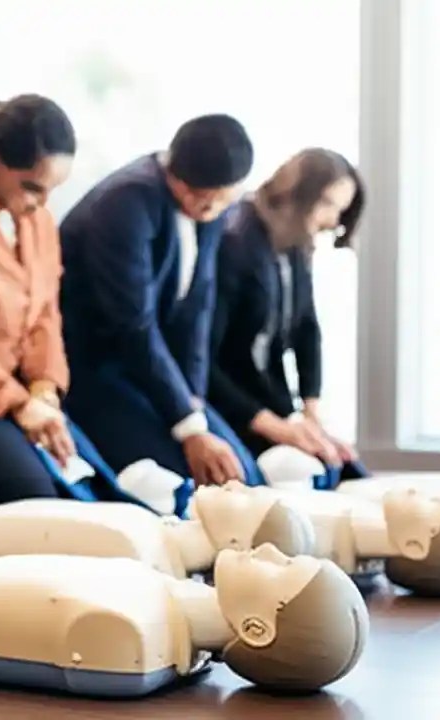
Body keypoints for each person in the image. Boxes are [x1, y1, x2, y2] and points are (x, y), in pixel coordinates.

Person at [0, 95, 142, 524]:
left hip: (20, 390)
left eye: (52, 190)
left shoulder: (39, 223)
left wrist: (44, 391)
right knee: (39, 494)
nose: (42, 202)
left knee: (94, 484)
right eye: (32, 187)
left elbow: (45, 316)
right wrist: (18, 402)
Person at [58, 114, 265, 489]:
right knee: (185, 479)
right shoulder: (126, 202)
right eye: (203, 199)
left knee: (242, 474)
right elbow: (133, 326)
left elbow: (198, 311)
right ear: (176, 175)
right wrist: (188, 427)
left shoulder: (212, 209)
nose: (210, 211)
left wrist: (192, 403)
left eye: (223, 201)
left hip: (153, 371)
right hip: (96, 369)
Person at [209, 148, 368, 485]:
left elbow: (306, 328)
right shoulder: (235, 240)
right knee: (302, 472)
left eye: (339, 211)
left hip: (270, 406)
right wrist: (278, 428)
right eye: (328, 205)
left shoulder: (294, 243)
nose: (332, 221)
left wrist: (312, 418)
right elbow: (204, 362)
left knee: (346, 468)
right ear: (296, 194)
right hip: (230, 408)